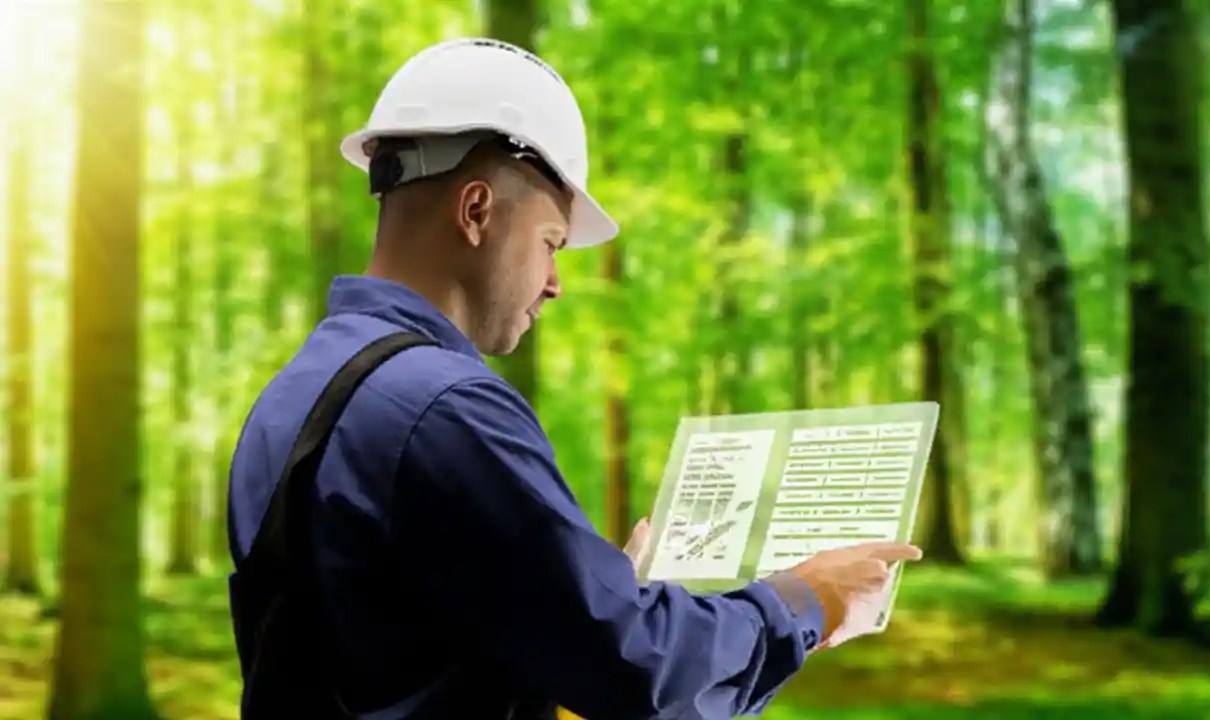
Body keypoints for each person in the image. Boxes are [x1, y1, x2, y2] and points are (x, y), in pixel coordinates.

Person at [225, 37, 923, 720]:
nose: (556, 284)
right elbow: (634, 671)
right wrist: (804, 602)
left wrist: (573, 593)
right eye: (550, 244)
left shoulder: (295, 395)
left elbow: (389, 652)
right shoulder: (445, 408)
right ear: (475, 213)